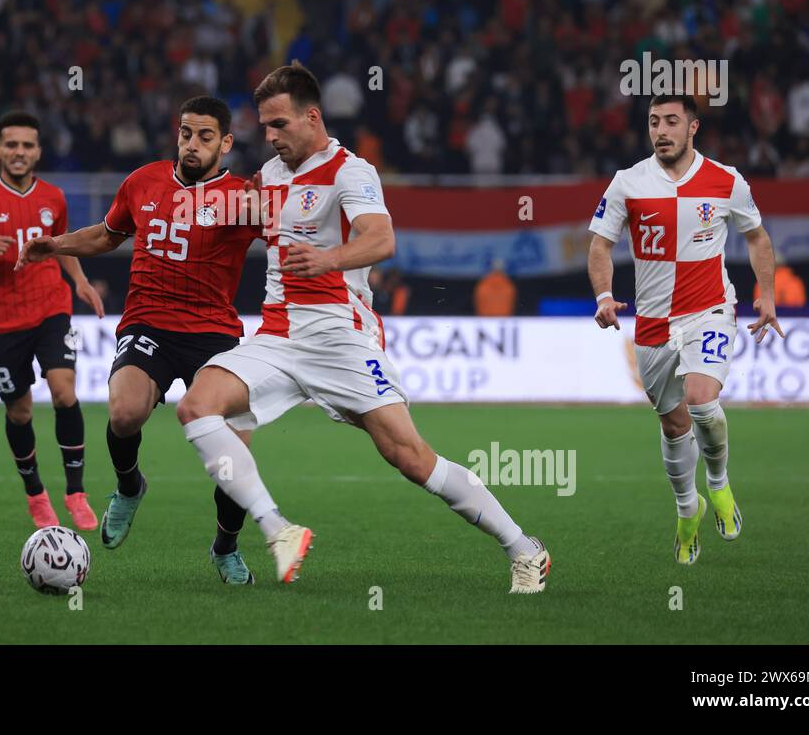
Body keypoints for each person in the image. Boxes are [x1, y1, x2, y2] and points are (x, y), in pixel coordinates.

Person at [175, 62, 550, 591]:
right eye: (264, 126)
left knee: (410, 457)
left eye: (279, 124)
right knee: (196, 405)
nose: (271, 136)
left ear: (312, 117)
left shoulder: (351, 171)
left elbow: (381, 240)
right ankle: (278, 529)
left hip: (339, 333)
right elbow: (231, 214)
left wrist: (328, 260)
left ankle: (522, 547)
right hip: (278, 335)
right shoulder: (273, 175)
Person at [17, 96, 265, 584]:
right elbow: (109, 236)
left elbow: (292, 232)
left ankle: (225, 547)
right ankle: (129, 486)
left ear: (227, 143)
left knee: (233, 455)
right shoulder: (143, 182)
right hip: (148, 322)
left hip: (215, 332)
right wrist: (56, 245)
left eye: (205, 137)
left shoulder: (242, 198)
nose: (192, 145)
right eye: (186, 134)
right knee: (125, 412)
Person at [588, 93, 783, 565]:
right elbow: (599, 246)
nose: (661, 130)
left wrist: (768, 294)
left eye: (672, 121)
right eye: (654, 121)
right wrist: (602, 295)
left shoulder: (726, 180)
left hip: (710, 311)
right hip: (652, 324)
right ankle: (686, 509)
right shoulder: (627, 183)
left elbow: (756, 237)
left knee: (701, 399)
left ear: (693, 127)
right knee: (674, 425)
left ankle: (718, 485)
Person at [0, 111, 106, 531]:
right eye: (11, 145)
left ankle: (76, 491)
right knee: (20, 412)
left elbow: (60, 245)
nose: (19, 152)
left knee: (64, 391)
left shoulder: (54, 197)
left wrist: (80, 281)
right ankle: (35, 495)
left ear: (38, 152)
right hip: (3, 320)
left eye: (27, 145)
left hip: (52, 306)